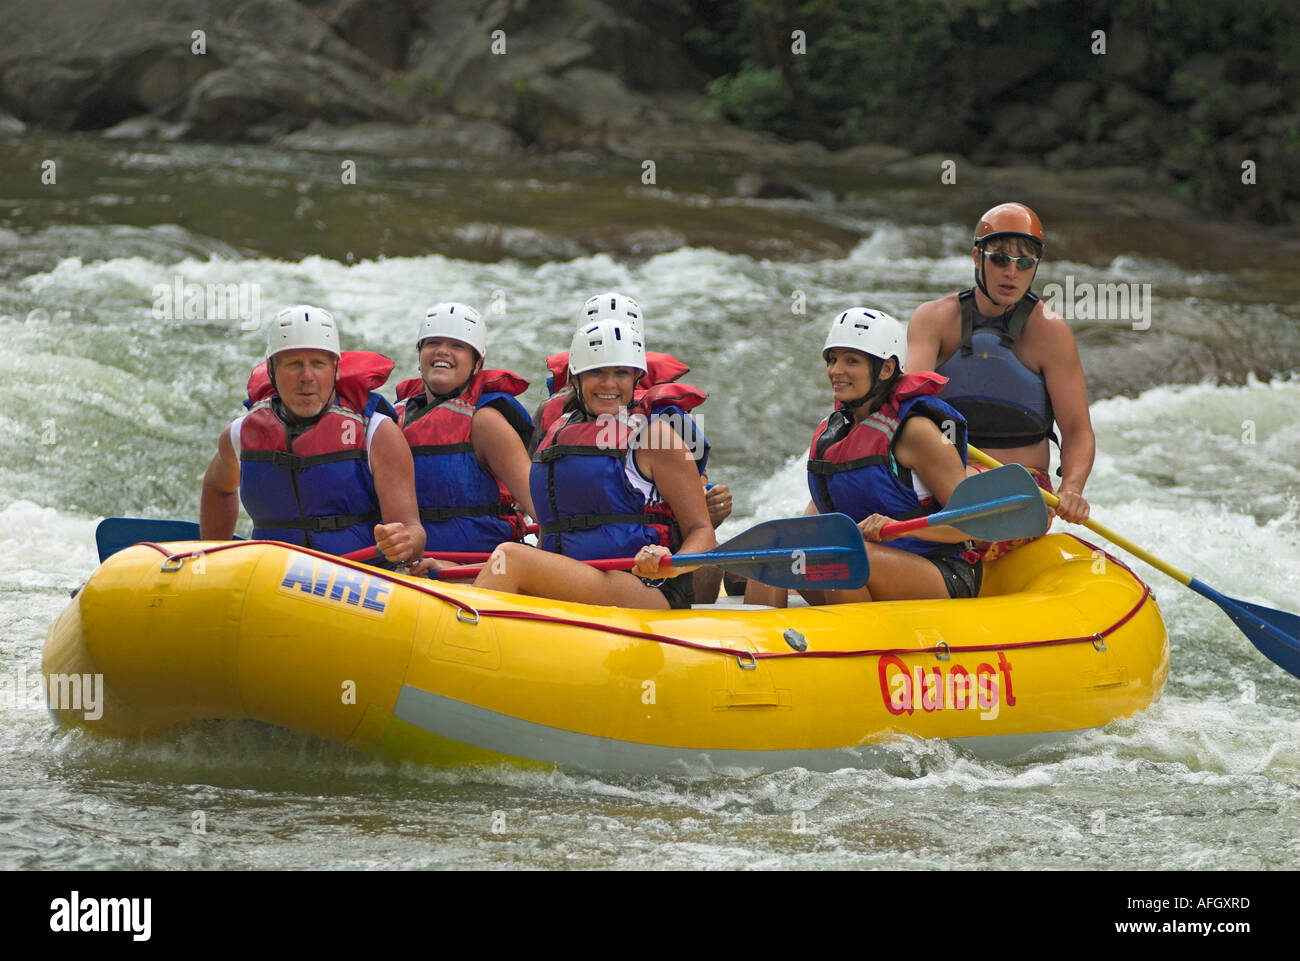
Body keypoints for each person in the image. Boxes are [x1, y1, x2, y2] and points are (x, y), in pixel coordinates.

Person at [472, 315, 717, 610]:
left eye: (621, 373)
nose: (609, 384)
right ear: (576, 378)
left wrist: (669, 564)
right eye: (596, 372)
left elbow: (703, 532)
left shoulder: (654, 435)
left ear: (636, 378)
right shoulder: (558, 430)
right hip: (578, 579)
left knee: (508, 558)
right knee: (503, 562)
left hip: (643, 585)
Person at [746, 308, 980, 607]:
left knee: (847, 556)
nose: (835, 370)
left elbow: (971, 523)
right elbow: (816, 519)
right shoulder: (833, 434)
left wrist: (901, 527)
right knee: (771, 551)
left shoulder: (917, 432)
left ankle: (855, 646)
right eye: (832, 359)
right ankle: (761, 648)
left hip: (939, 571)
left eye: (851, 360)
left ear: (885, 369)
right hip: (864, 563)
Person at [907, 202, 1094, 557]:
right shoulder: (934, 319)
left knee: (973, 497)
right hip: (942, 474)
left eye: (1025, 263)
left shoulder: (1050, 332)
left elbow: (1078, 431)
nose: (1012, 272)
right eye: (1000, 259)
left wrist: (1071, 489)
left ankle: (907, 537)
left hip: (1021, 486)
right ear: (977, 257)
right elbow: (907, 408)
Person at [531, 291, 733, 598]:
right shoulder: (552, 420)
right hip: (572, 567)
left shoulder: (668, 417)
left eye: (620, 369)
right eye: (596, 365)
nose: (609, 381)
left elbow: (698, 506)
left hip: (645, 570)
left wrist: (703, 516)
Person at [200, 305, 424, 565]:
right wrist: (213, 557)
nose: (307, 377)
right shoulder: (240, 434)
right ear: (271, 370)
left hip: (358, 584)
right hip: (270, 580)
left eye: (318, 364)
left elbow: (413, 530)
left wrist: (403, 541)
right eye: (293, 364)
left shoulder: (376, 432)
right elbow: (217, 487)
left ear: (336, 369)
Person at [392, 302, 536, 567]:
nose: (442, 351)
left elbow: (544, 512)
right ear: (420, 354)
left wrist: (463, 571)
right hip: (410, 572)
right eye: (433, 342)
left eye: (457, 346)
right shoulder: (393, 420)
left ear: (477, 363)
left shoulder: (485, 421)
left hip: (481, 573)